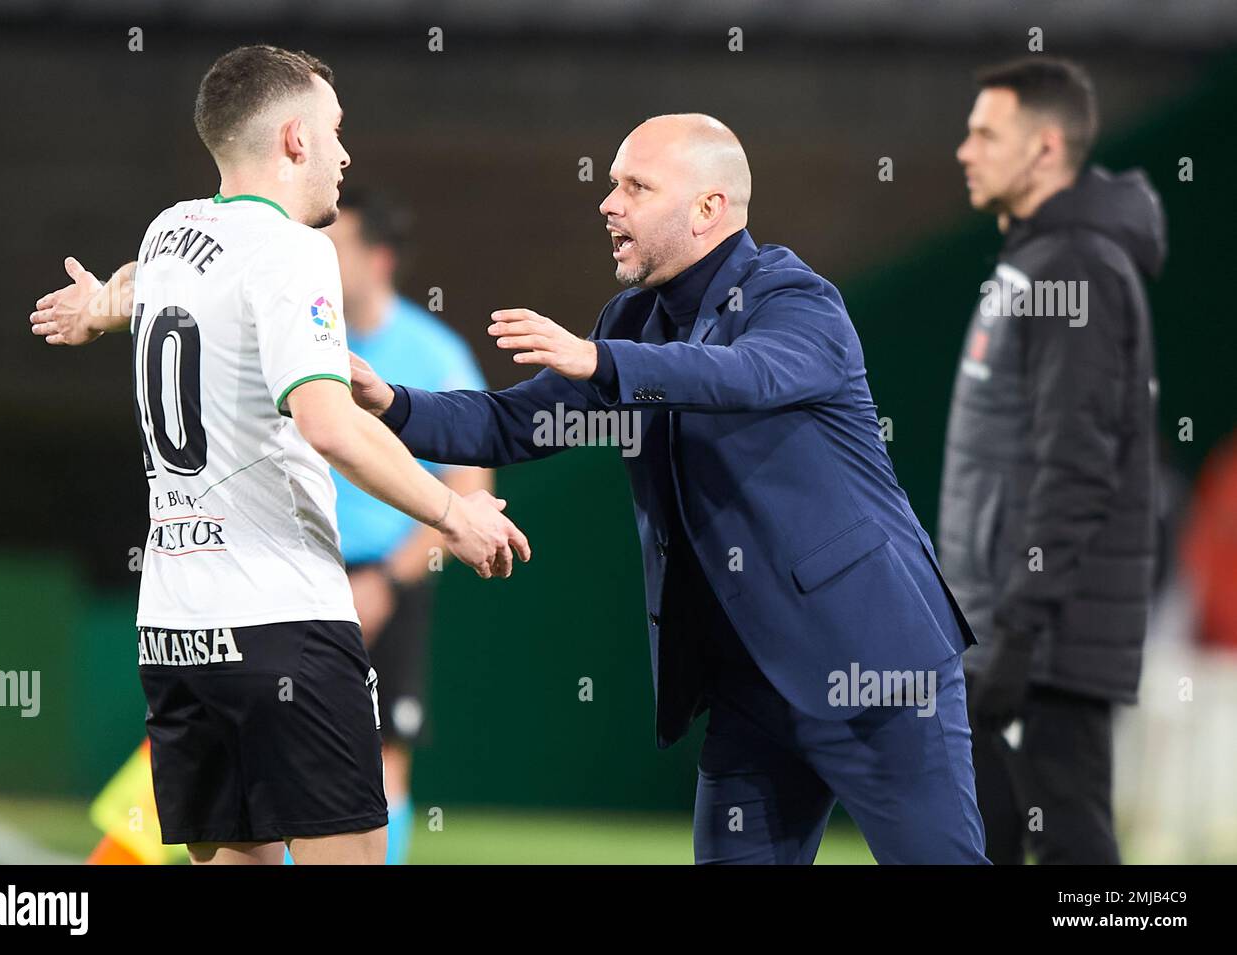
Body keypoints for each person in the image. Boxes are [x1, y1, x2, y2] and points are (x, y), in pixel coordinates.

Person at [351, 113, 989, 864]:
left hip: (875, 665)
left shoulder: (797, 298)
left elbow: (742, 376)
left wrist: (603, 363)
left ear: (708, 209)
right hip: (749, 690)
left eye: (635, 185)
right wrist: (389, 402)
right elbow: (513, 425)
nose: (607, 202)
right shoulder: (632, 321)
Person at [27, 44, 529, 865]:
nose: (345, 153)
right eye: (335, 131)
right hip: (283, 621)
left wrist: (102, 306)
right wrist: (453, 513)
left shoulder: (170, 231)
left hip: (177, 632)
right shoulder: (296, 251)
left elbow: (141, 277)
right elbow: (328, 424)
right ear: (295, 138)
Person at [940, 57, 1165, 864]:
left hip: (1043, 638)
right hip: (1004, 626)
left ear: (1043, 150)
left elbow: (1076, 464)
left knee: (1072, 846)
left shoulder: (1074, 269)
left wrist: (1018, 626)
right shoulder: (1034, 263)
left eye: (984, 133)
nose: (964, 150)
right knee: (979, 836)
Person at [325, 189, 493, 864]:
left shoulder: (435, 355)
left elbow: (471, 488)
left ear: (380, 258)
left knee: (380, 756)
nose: (319, 260)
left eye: (335, 246)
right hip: (296, 575)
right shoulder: (299, 337)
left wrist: (385, 584)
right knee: (280, 748)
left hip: (385, 579)